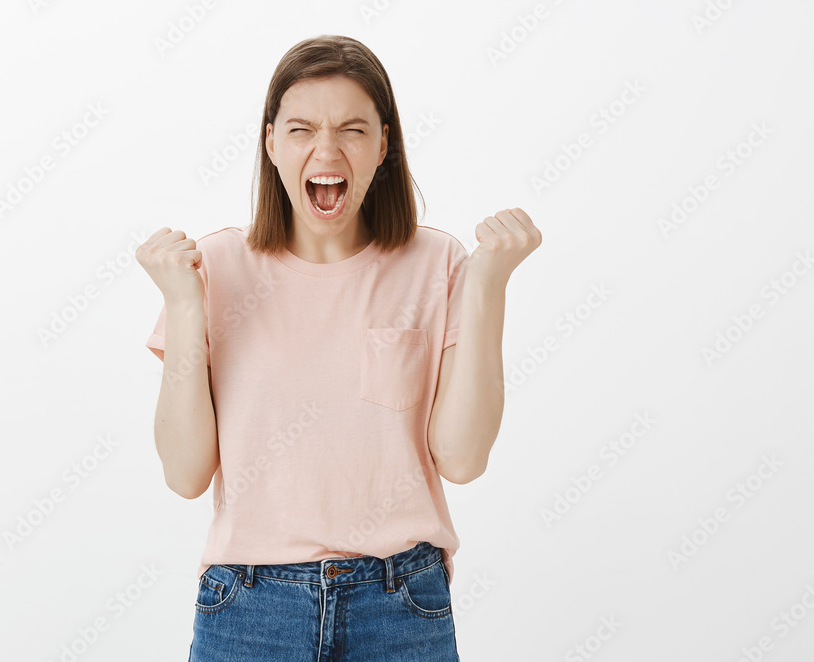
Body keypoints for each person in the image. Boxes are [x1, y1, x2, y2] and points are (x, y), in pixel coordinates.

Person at [137, 34, 540, 661]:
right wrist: (187, 306)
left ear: (384, 144)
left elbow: (462, 459)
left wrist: (490, 282)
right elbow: (185, 473)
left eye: (353, 130)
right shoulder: (211, 270)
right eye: (301, 130)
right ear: (271, 143)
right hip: (248, 613)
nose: (327, 150)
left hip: (401, 606)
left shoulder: (439, 264)